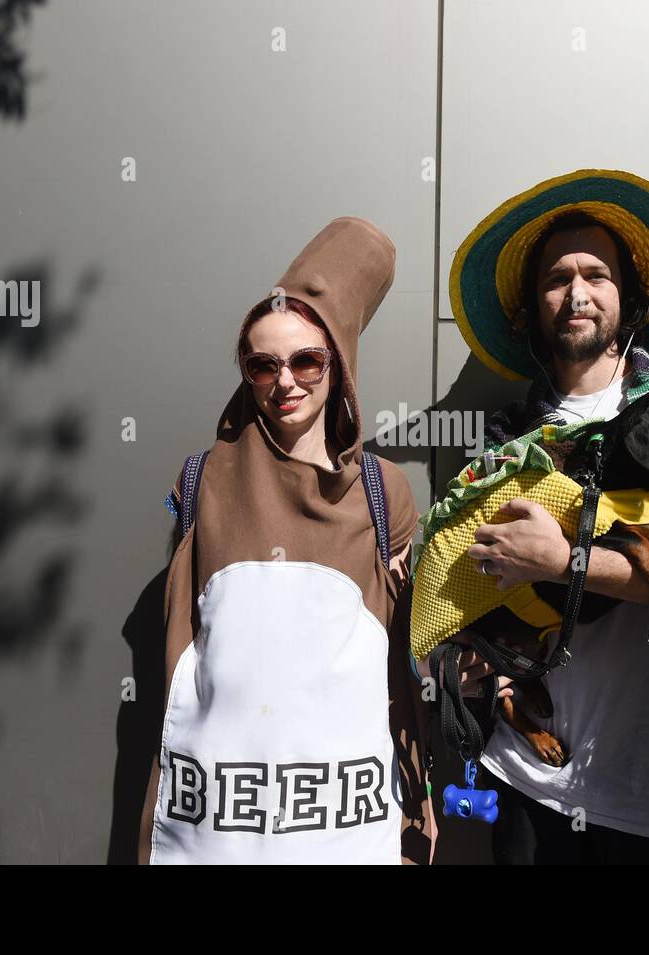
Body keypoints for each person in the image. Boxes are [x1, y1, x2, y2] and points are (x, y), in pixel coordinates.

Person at [138, 217, 436, 864]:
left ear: (340, 363)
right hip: (218, 818)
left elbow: (402, 654)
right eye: (262, 364)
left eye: (307, 359)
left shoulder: (385, 491)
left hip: (345, 818)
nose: (286, 380)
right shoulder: (203, 478)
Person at [441, 169, 649, 864]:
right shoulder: (504, 442)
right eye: (557, 278)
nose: (577, 292)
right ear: (533, 308)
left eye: (597, 273)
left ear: (630, 299)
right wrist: (484, 663)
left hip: (645, 793)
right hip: (527, 779)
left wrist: (562, 562)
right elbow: (474, 580)